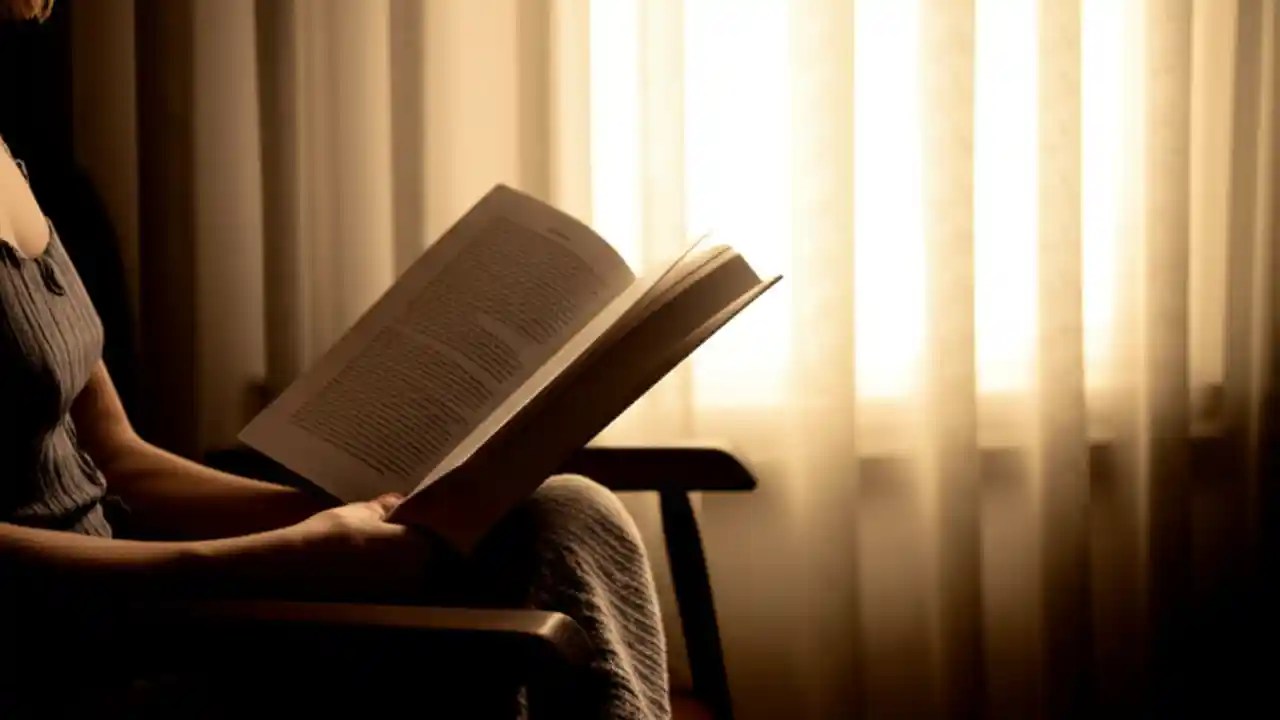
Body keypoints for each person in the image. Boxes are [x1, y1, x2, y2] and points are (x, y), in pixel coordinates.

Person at [0, 1, 670, 717]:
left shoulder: (13, 155)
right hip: (88, 637)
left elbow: (119, 458)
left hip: (162, 598)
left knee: (560, 512)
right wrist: (281, 554)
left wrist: (347, 516)